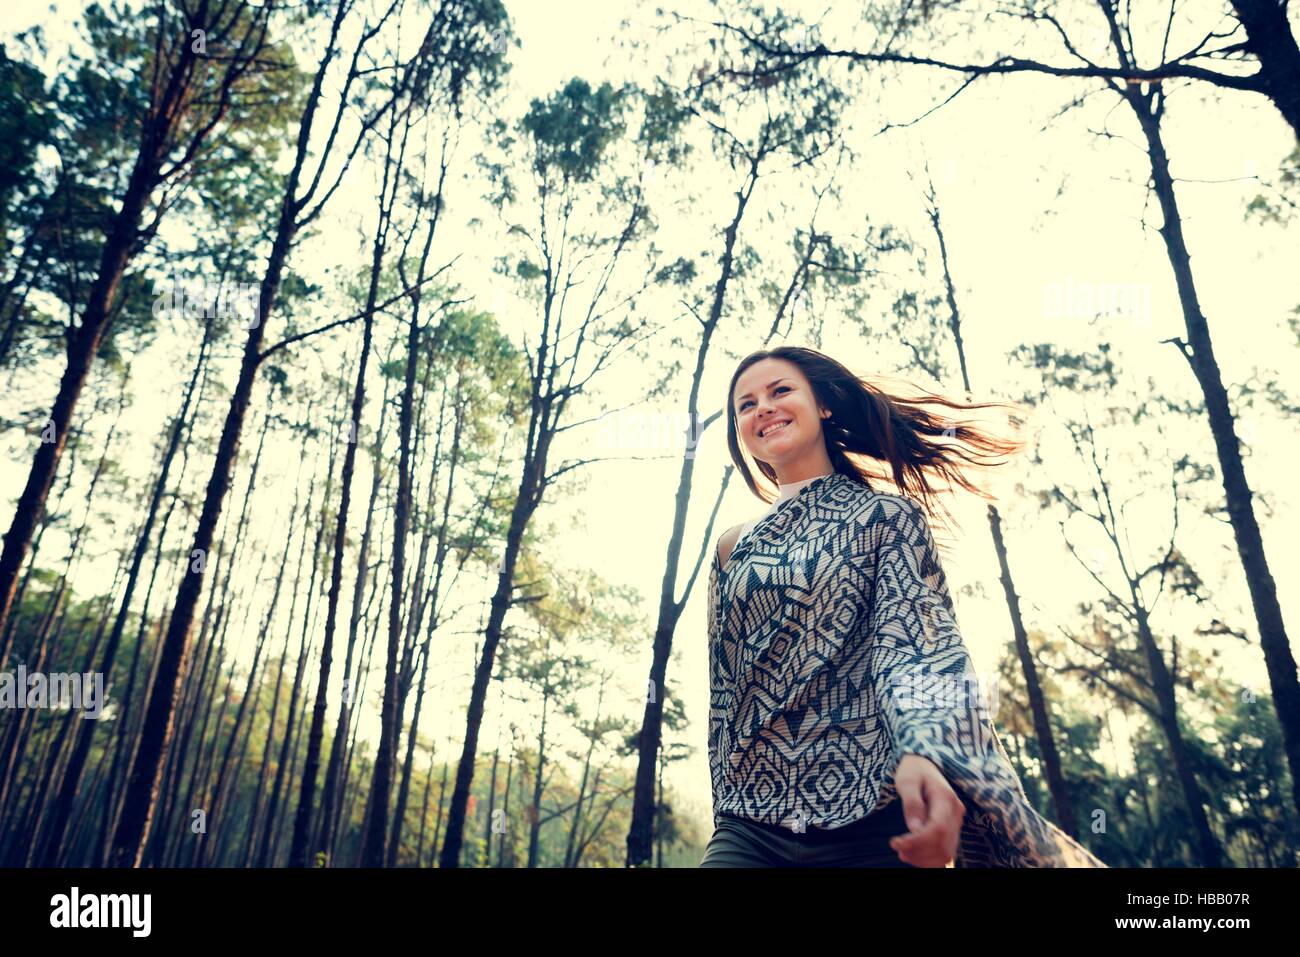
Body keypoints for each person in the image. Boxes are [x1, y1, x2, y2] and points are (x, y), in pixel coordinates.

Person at [700, 346, 1107, 868]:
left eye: (780, 391)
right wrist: (724, 803)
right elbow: (725, 692)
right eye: (746, 404)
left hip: (871, 815)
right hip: (749, 824)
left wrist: (923, 751)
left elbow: (915, 645)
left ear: (823, 405)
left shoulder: (885, 517)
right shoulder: (733, 546)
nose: (763, 408)